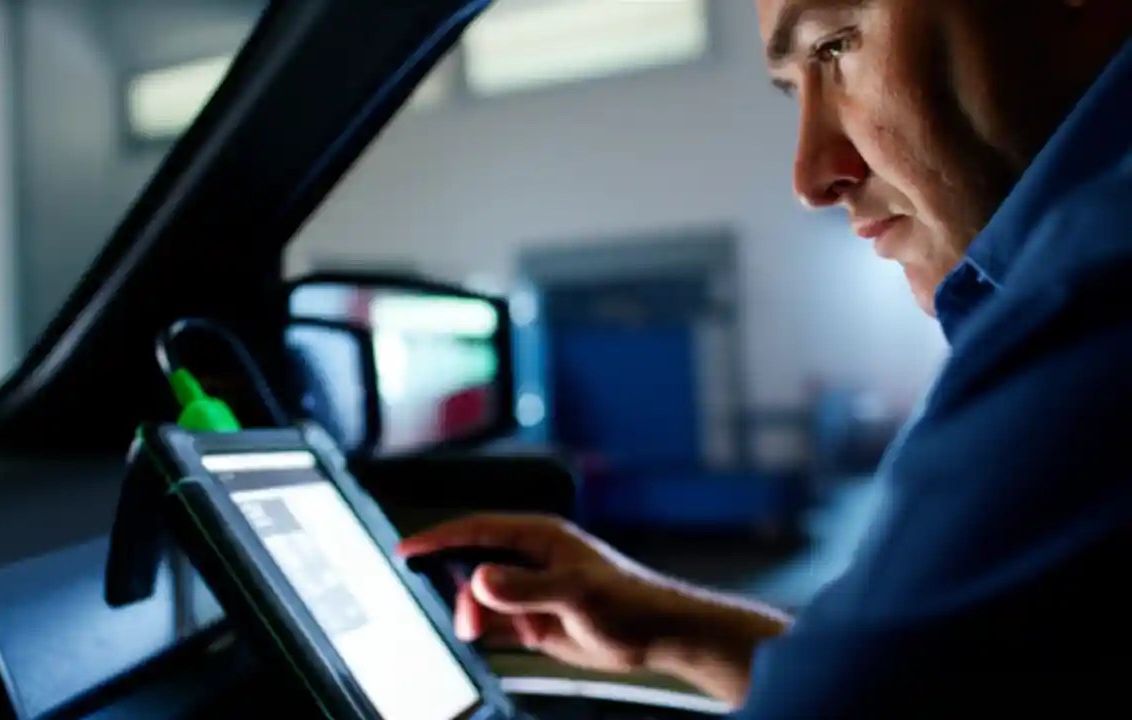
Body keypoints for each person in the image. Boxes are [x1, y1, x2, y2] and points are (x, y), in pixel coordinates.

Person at [398, 0, 1132, 715]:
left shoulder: (1102, 276)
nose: (812, 176)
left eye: (836, 46)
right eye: (795, 92)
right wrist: (680, 633)